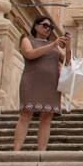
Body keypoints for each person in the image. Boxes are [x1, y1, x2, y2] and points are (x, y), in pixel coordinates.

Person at [12, 15, 71, 152]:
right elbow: (30, 54)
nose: (48, 29)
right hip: (32, 81)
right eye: (45, 25)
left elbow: (68, 64)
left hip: (51, 84)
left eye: (50, 27)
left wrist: (68, 47)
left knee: (46, 118)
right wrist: (52, 44)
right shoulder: (27, 40)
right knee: (26, 114)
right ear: (36, 26)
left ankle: (42, 152)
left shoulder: (55, 47)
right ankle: (16, 150)